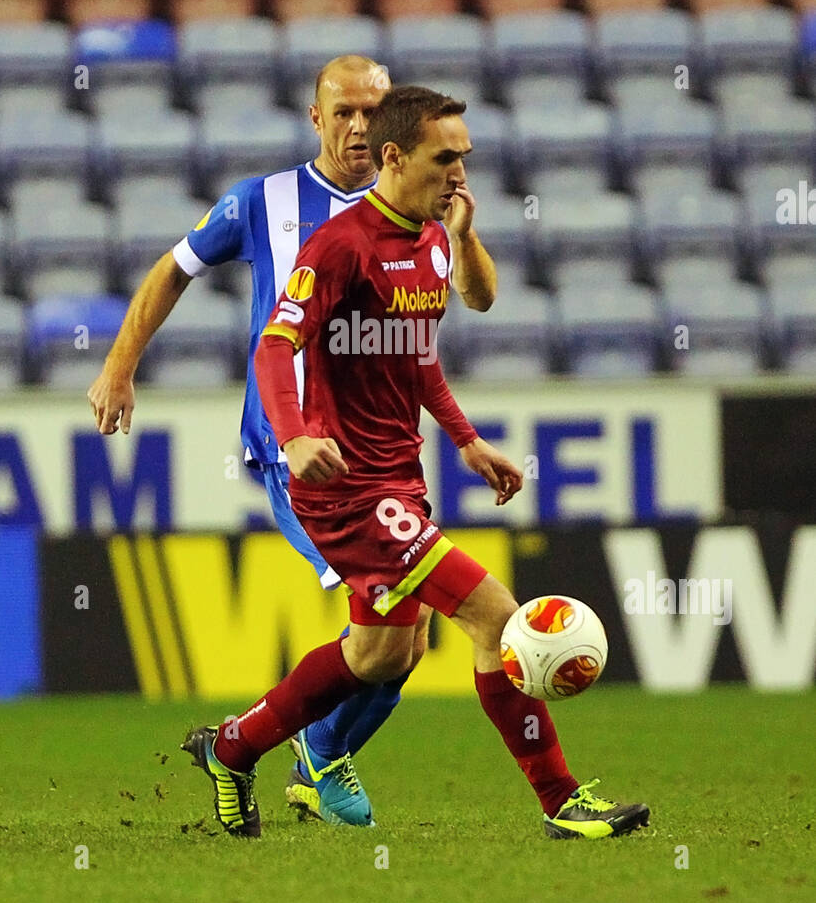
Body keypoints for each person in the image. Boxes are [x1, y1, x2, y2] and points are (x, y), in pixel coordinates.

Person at [182, 85, 650, 841]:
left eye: (465, 157)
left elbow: (418, 357)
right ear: (394, 158)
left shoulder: (433, 241)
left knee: (379, 652)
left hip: (400, 478)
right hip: (344, 489)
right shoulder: (340, 246)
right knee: (497, 617)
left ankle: (232, 750)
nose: (460, 174)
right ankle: (564, 802)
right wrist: (296, 436)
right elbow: (276, 344)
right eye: (445, 158)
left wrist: (464, 438)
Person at [87, 56, 498, 827]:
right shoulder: (262, 201)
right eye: (342, 111)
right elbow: (174, 270)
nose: (359, 126)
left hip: (380, 458)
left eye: (373, 111)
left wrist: (462, 237)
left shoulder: (420, 202)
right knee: (394, 634)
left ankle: (266, 748)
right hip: (300, 457)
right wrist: (119, 366)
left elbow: (472, 299)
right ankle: (314, 755)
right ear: (316, 118)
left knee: (396, 647)